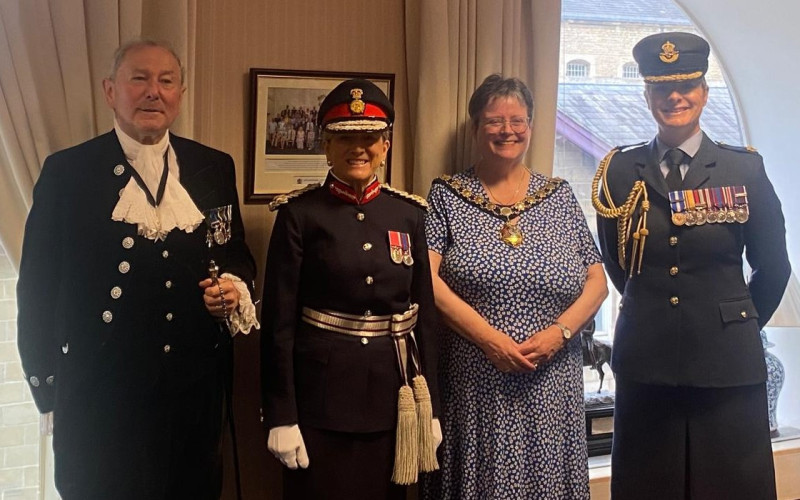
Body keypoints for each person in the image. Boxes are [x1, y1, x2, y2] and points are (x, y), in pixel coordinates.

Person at [16, 39, 258, 500]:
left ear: (180, 94)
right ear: (110, 91)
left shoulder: (213, 167)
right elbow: (38, 290)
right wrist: (49, 390)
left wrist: (233, 286)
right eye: (139, 79)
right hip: (100, 398)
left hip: (193, 401)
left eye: (166, 81)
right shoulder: (67, 172)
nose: (154, 92)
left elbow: (235, 253)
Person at [593, 32, 791, 499]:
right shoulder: (620, 171)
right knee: (649, 485)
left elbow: (774, 267)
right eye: (661, 88)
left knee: (731, 485)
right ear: (646, 95)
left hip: (727, 364)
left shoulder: (743, 170)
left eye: (685, 86)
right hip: (647, 360)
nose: (674, 97)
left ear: (703, 92)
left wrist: (732, 320)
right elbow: (618, 263)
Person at [422, 74, 608, 499]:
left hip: (553, 379)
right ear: (474, 128)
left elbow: (597, 283)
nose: (508, 130)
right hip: (476, 380)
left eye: (518, 120)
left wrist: (559, 334)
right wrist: (490, 340)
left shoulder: (559, 196)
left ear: (531, 126)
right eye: (494, 121)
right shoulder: (447, 197)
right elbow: (426, 281)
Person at [261, 78, 442, 499]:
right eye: (344, 138)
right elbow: (278, 325)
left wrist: (431, 408)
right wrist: (280, 416)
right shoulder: (299, 215)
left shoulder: (409, 215)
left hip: (393, 403)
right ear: (325, 146)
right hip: (320, 405)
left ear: (386, 145)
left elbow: (426, 320)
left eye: (369, 137)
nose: (357, 147)